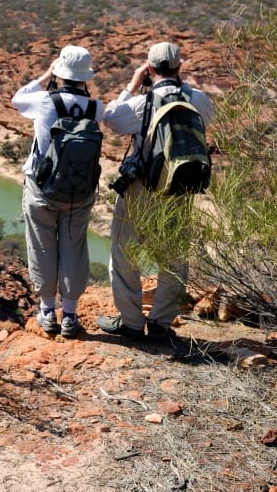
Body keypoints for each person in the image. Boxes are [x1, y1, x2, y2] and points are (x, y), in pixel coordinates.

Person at [96, 41, 215, 341]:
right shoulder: (197, 99)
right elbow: (208, 119)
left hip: (142, 189)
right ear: (179, 68)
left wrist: (133, 85)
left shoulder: (143, 102)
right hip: (178, 189)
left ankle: (133, 323)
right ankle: (161, 323)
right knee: (174, 257)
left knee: (125, 253)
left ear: (150, 69)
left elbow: (110, 120)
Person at [12, 45, 103, 338]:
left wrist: (44, 74)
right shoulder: (95, 108)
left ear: (60, 72)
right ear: (86, 77)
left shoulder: (43, 101)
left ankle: (48, 312)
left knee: (41, 245)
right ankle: (71, 315)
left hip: (42, 188)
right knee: (73, 248)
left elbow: (17, 99)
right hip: (80, 192)